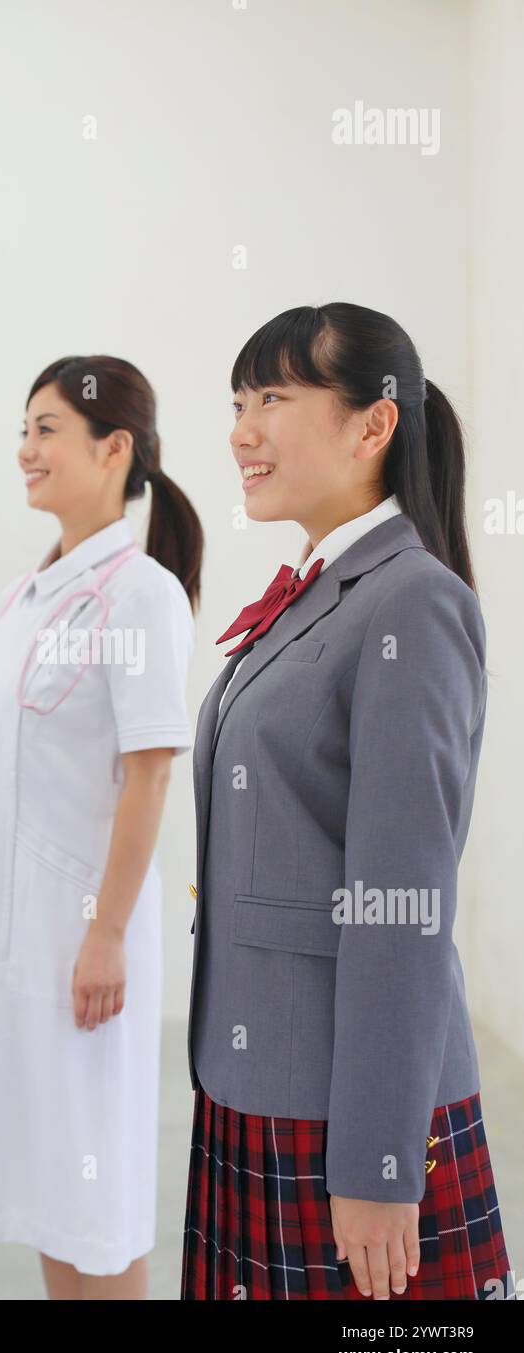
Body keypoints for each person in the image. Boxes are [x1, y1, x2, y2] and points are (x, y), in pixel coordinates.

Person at [183, 302, 513, 1302]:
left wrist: (378, 1161)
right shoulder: (320, 587)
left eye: (272, 398)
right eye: (236, 402)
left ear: (372, 425)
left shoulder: (408, 598)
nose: (241, 430)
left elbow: (402, 906)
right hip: (256, 1079)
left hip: (343, 1105)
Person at [0, 355, 202, 1298]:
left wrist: (108, 935)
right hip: (11, 946)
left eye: (47, 430)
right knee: (48, 1183)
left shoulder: (142, 595)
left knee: (94, 1188)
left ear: (114, 447)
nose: (25, 450)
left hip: (84, 946)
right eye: (24, 429)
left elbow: (147, 783)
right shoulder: (25, 596)